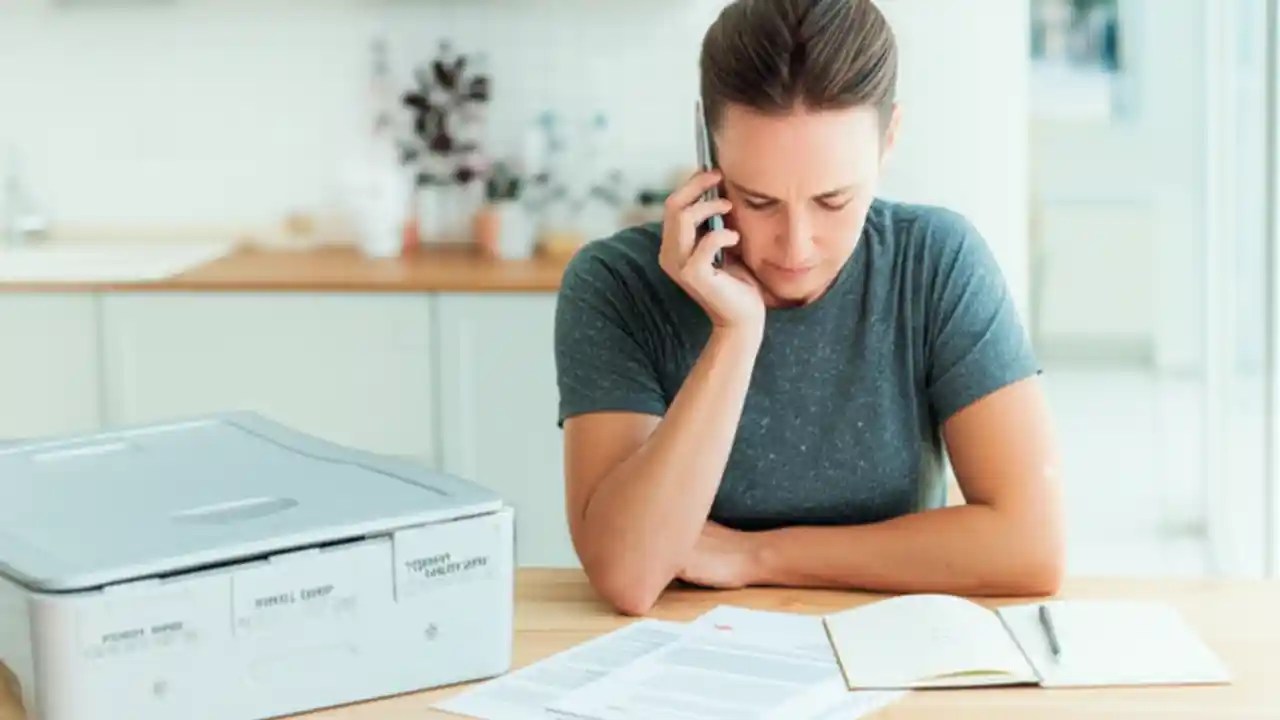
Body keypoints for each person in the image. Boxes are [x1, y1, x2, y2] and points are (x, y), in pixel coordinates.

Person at [553, 0, 1064, 616]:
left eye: (833, 200)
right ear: (707, 149)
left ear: (888, 140)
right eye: (758, 200)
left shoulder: (935, 262)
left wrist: (756, 557)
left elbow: (1030, 546)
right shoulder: (617, 284)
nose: (796, 248)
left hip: (888, 650)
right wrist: (735, 333)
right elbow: (629, 576)